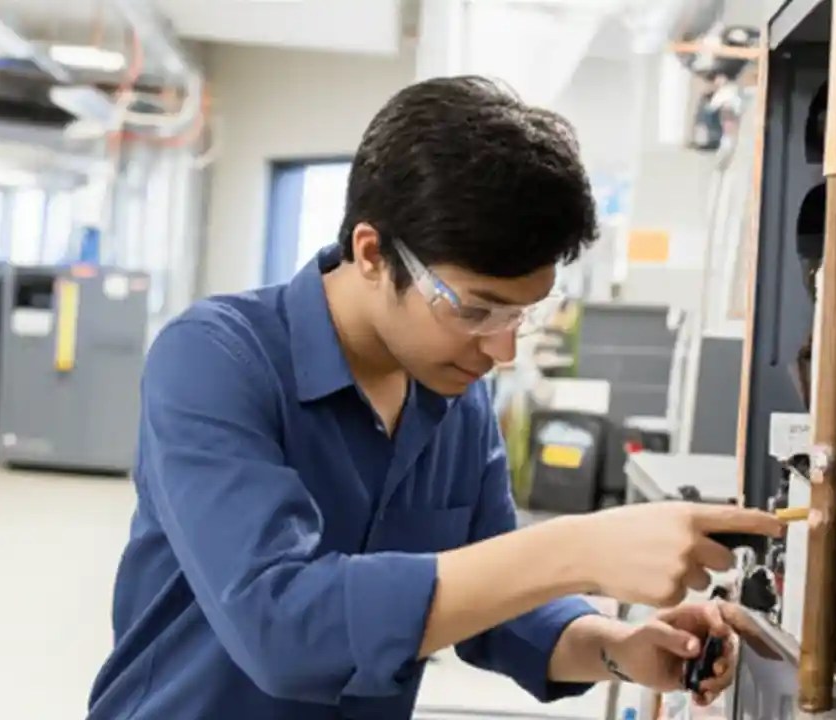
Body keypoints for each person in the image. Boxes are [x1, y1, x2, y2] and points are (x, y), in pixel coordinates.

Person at [88, 76, 783, 720]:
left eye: (523, 314)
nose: (501, 349)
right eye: (477, 309)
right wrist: (578, 548)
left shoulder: (454, 398)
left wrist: (615, 647)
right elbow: (283, 628)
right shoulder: (215, 359)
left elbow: (499, 606)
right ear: (371, 253)